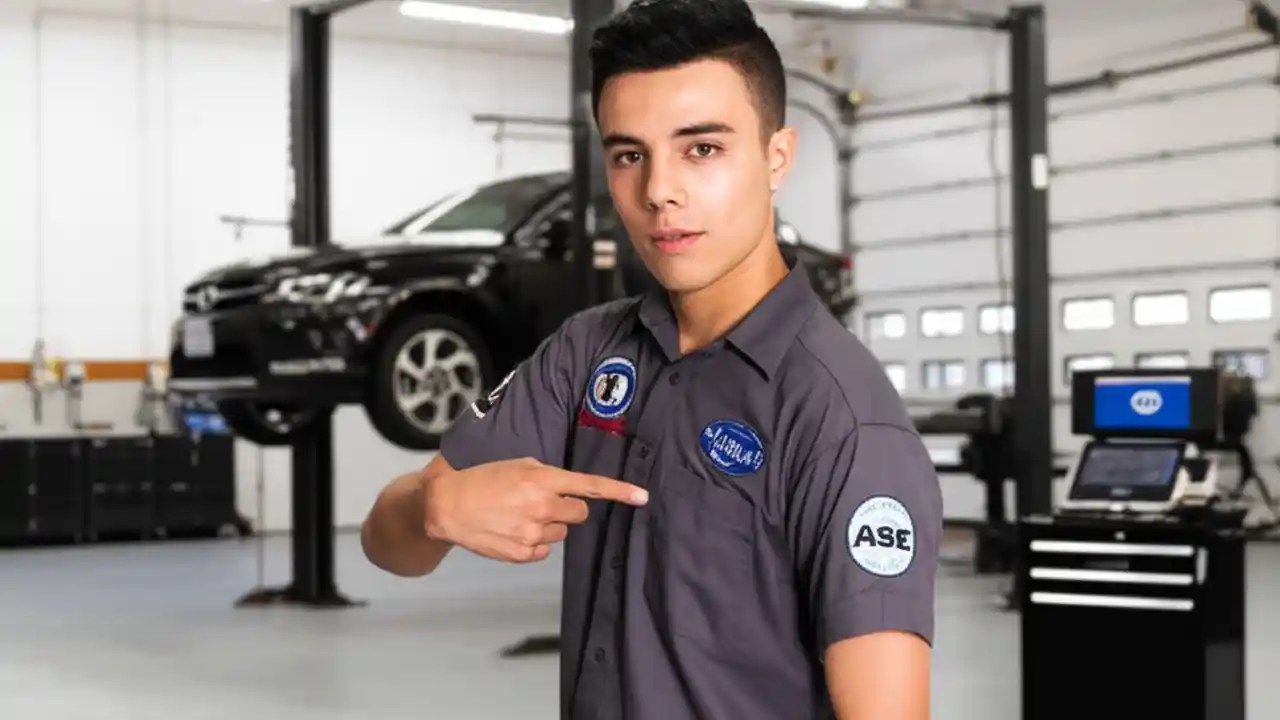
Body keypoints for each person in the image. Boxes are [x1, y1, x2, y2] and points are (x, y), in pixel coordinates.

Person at [360, 0, 942, 717]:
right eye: (630, 154)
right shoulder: (587, 351)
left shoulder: (843, 423)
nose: (659, 191)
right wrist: (431, 509)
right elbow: (388, 543)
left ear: (776, 158)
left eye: (702, 148)